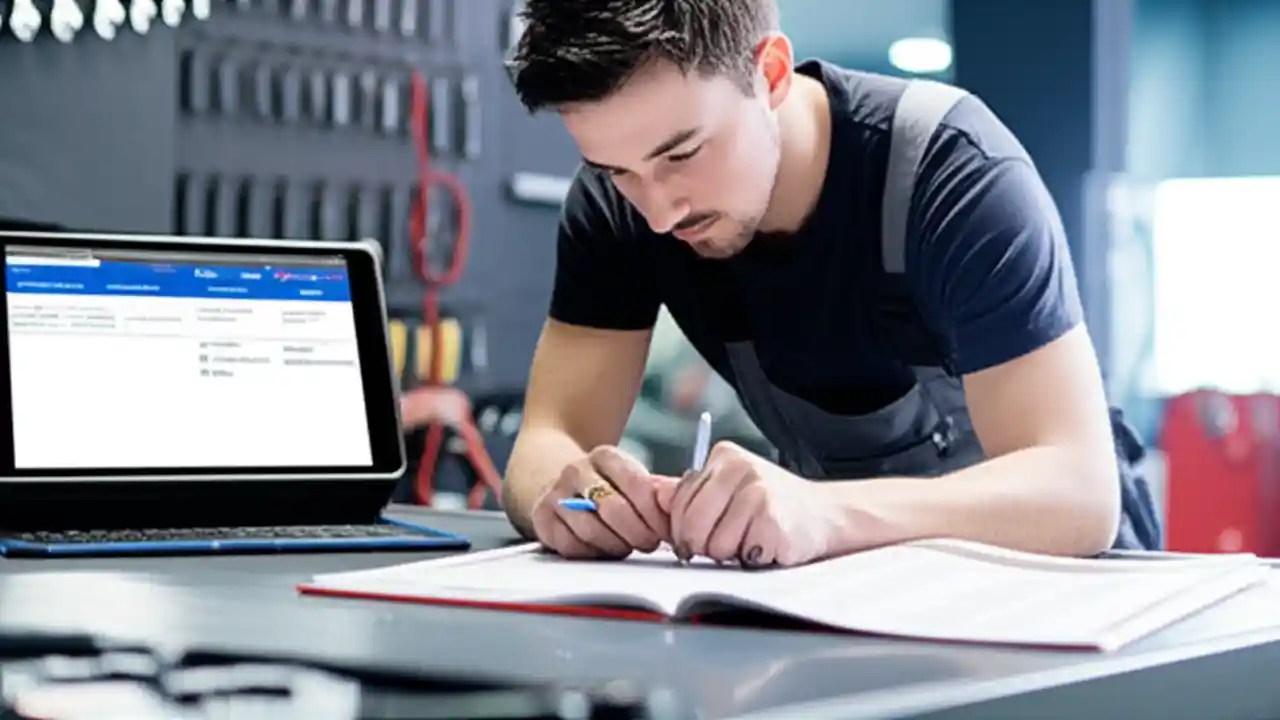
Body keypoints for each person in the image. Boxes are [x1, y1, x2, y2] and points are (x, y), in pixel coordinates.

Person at [499, 0, 1162, 567]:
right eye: (615, 169)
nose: (658, 211)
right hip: (854, 595)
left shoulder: (953, 173)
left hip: (1067, 596)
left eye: (683, 154)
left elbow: (1076, 494)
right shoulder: (617, 210)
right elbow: (544, 446)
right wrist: (569, 496)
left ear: (770, 73)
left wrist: (821, 513)